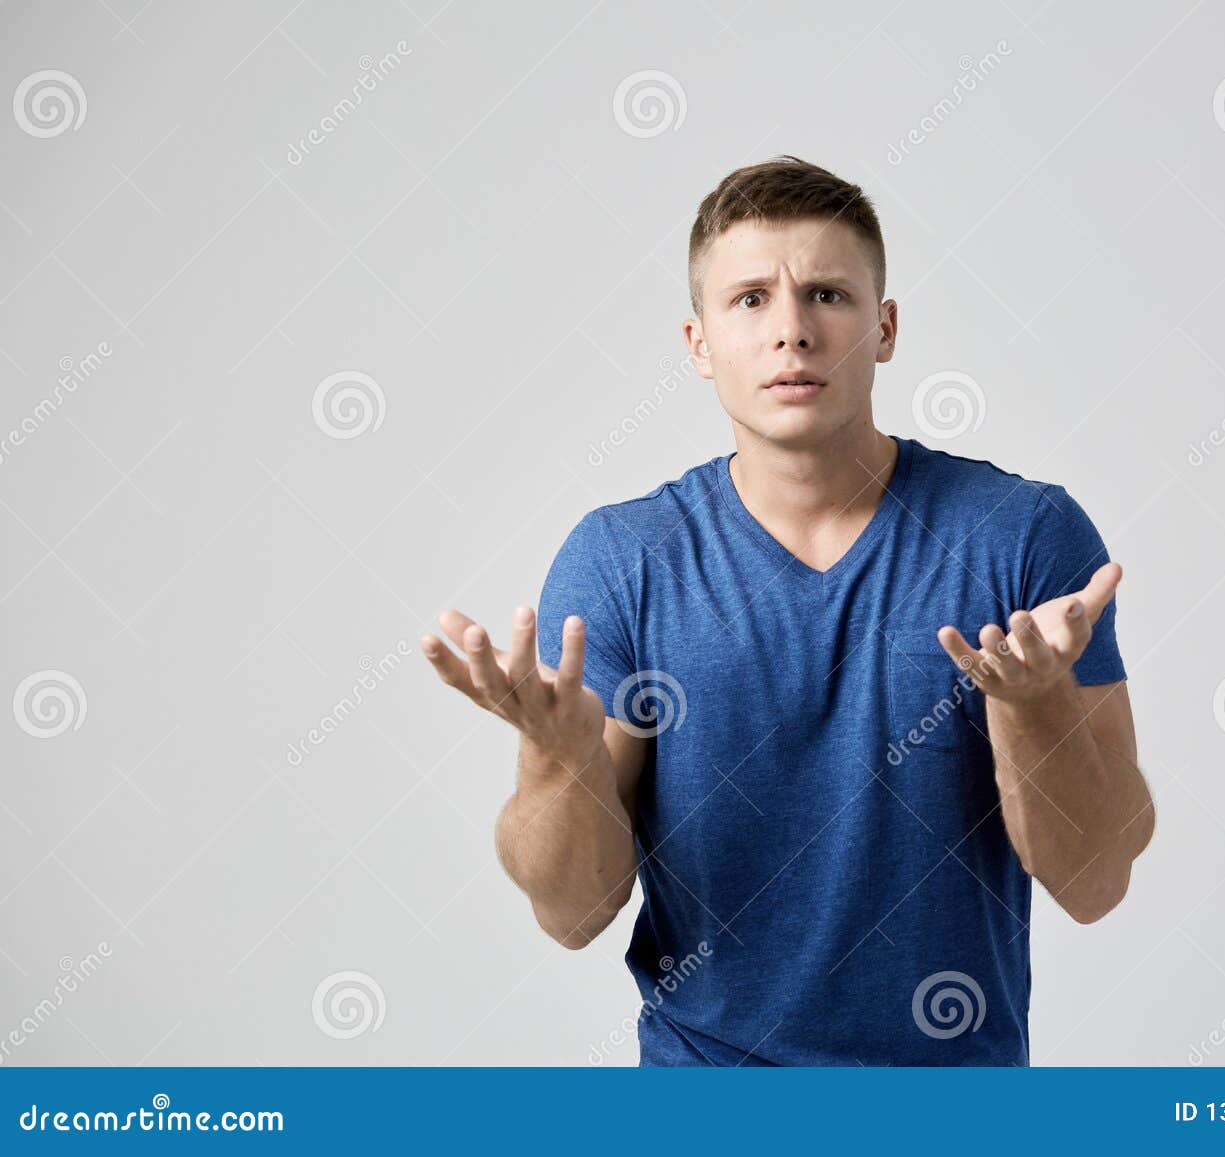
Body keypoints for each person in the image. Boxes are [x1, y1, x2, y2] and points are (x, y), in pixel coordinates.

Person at [420, 155, 1155, 1066]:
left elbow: (1096, 880)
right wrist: (559, 758)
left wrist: (1035, 704)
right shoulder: (623, 560)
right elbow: (571, 913)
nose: (792, 332)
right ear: (699, 343)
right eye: (750, 300)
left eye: (828, 296)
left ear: (884, 329)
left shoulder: (1022, 537)